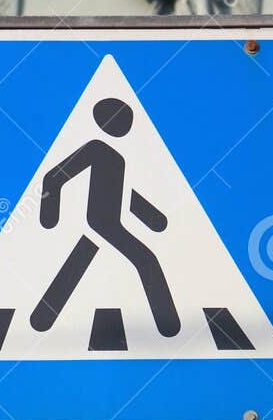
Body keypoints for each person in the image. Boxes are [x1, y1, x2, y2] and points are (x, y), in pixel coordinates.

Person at [34, 97, 179, 337]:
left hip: (108, 222)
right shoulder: (96, 148)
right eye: (123, 119)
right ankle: (170, 327)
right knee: (146, 260)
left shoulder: (116, 157)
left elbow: (123, 193)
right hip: (101, 222)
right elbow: (54, 177)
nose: (128, 125)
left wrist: (154, 219)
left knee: (76, 265)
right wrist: (49, 215)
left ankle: (41, 320)